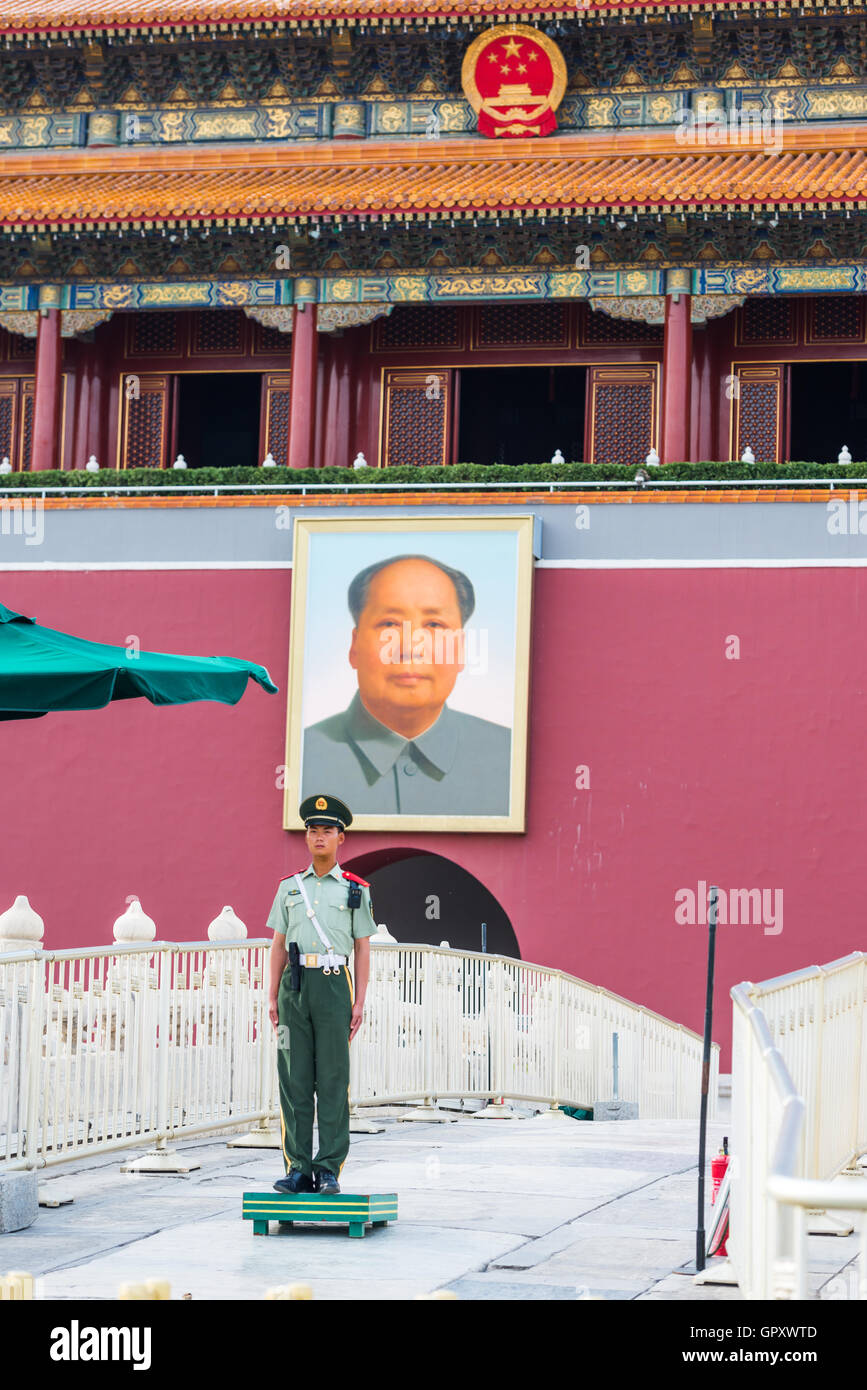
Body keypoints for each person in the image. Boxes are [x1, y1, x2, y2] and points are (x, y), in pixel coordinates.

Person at [301, 554, 511, 816]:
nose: (410, 648)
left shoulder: (513, 760)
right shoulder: (300, 759)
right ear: (354, 647)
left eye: (434, 625)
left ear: (460, 649)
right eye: (389, 624)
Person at [266, 793, 377, 1195]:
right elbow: (278, 943)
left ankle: (328, 1167)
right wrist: (270, 995)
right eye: (313, 831)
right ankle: (297, 1167)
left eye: (327, 831)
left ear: (340, 838)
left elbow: (363, 946)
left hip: (333, 986)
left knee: (332, 1078)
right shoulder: (289, 888)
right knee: (294, 1077)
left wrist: (360, 999)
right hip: (293, 989)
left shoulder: (355, 890)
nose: (319, 837)